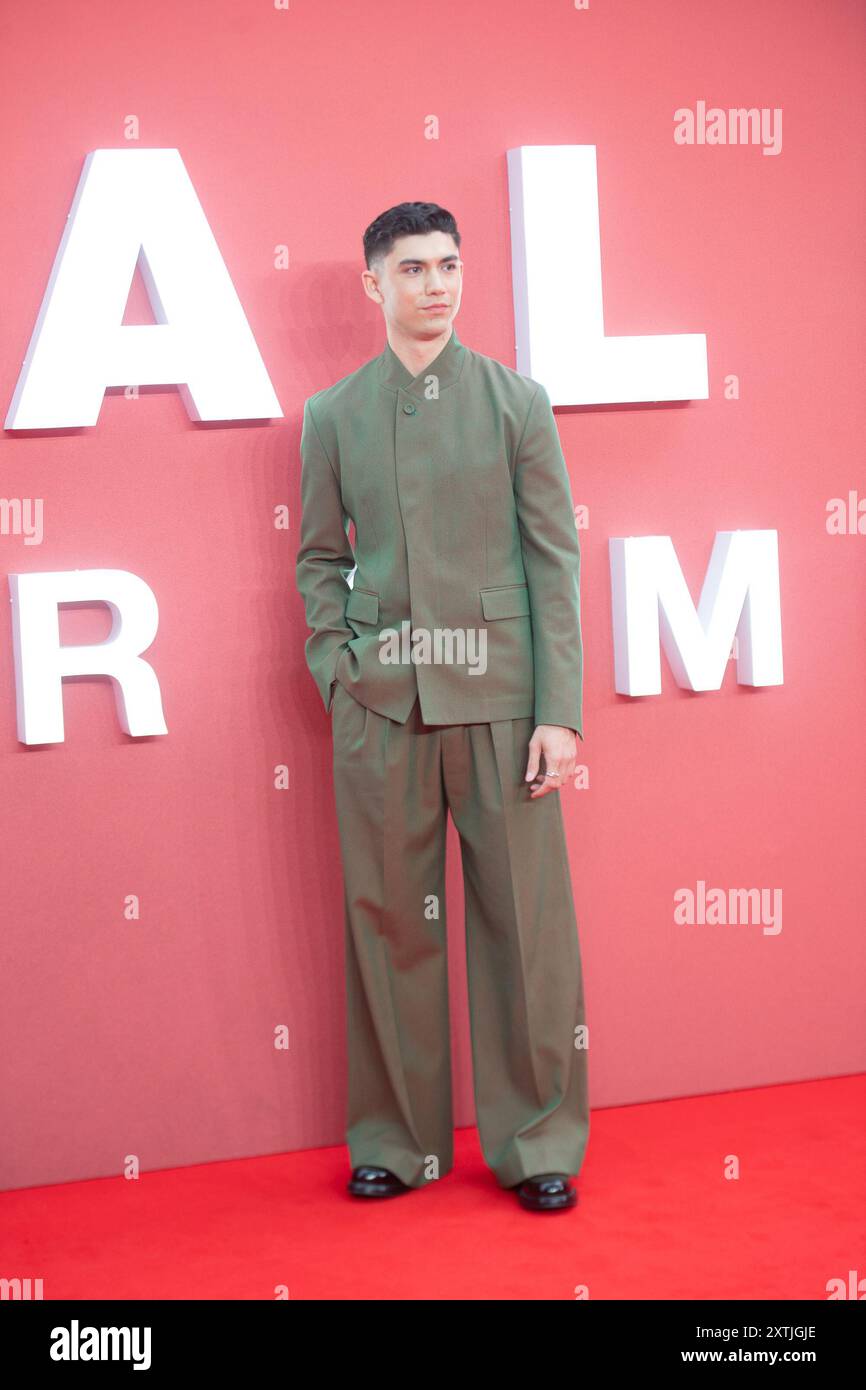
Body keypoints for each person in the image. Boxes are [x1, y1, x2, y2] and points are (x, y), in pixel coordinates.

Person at [296, 202, 588, 1212]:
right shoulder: (331, 414)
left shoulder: (518, 402)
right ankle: (394, 1141)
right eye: (412, 267)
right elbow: (318, 560)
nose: (435, 283)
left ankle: (538, 1143)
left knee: (526, 928)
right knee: (386, 924)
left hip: (506, 704)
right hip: (380, 707)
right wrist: (337, 670)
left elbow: (556, 560)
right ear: (373, 283)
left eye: (449, 265)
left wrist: (560, 711)